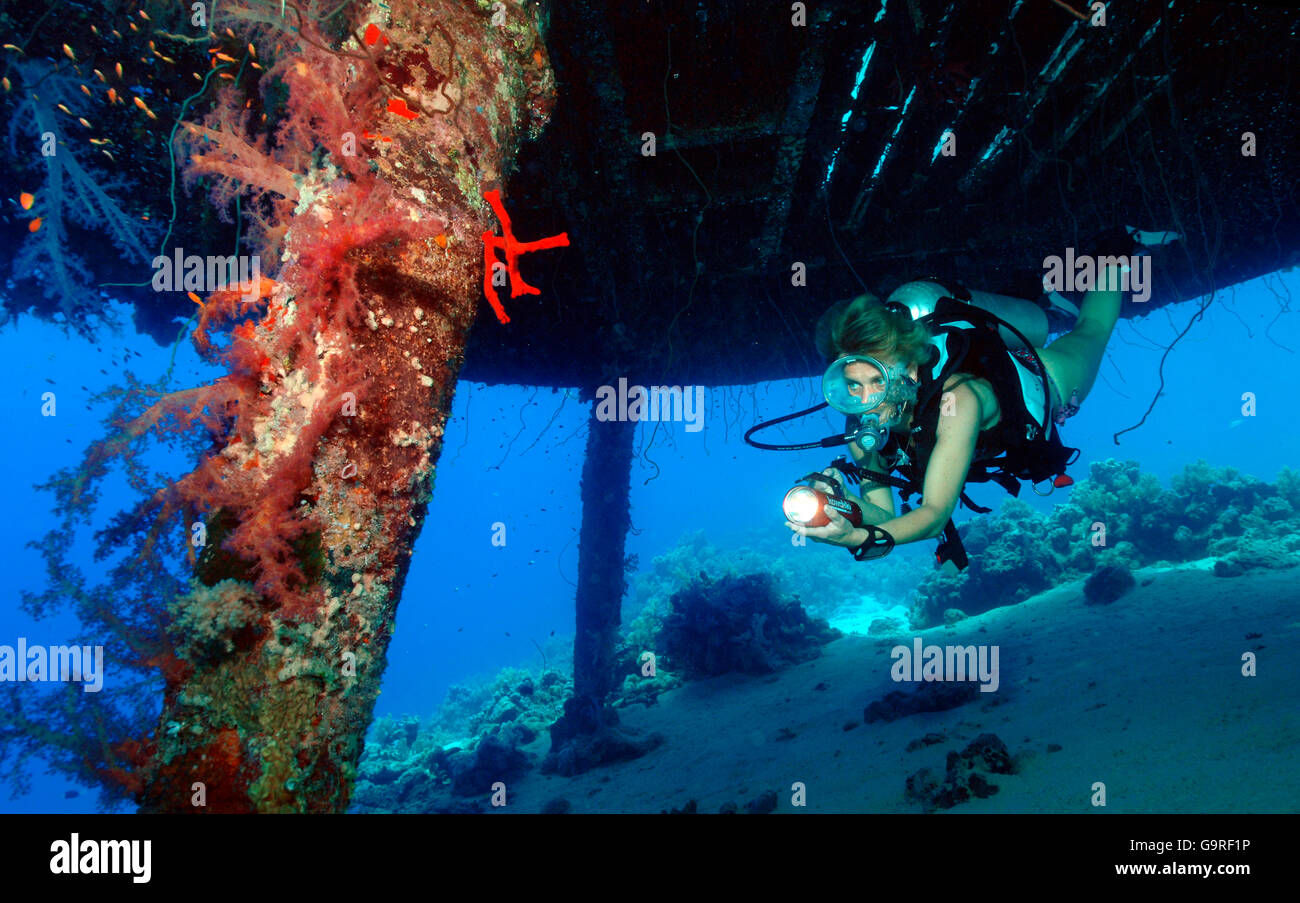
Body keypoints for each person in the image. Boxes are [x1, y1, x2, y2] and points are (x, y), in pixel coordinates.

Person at [785, 265, 1126, 567]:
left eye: (878, 380)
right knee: (1046, 316)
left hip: (1043, 379)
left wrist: (856, 540)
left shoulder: (957, 400)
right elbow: (885, 515)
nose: (866, 401)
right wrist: (842, 505)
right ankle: (1030, 297)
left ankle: (1115, 250)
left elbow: (934, 515)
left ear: (911, 370)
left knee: (1092, 329)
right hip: (990, 392)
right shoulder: (860, 428)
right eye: (852, 385)